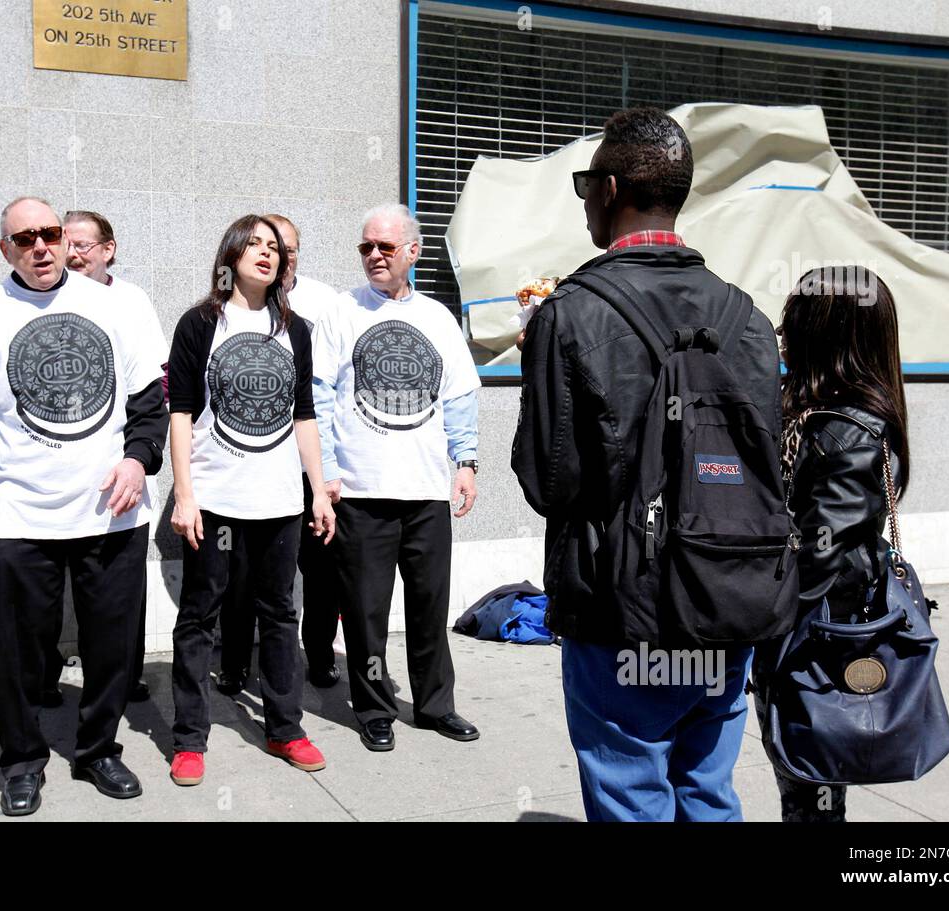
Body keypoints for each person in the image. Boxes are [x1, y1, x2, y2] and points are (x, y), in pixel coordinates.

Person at [511, 108, 781, 821]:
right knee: (707, 792)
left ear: (607, 188)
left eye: (583, 185)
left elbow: (548, 480)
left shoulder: (569, 312)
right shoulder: (747, 315)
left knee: (631, 796)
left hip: (619, 607)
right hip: (726, 600)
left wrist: (537, 370)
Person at [0, 197, 169, 816]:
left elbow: (149, 403)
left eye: (50, 234)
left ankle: (98, 752)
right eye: (23, 237)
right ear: (5, 249)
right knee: (21, 653)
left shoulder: (115, 308)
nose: (40, 246)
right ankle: (23, 762)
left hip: (113, 515)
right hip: (20, 518)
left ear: (65, 240)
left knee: (112, 646)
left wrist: (138, 459)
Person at [166, 214, 334, 787]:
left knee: (281, 613)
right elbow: (181, 414)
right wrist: (185, 495)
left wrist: (318, 490)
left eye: (274, 248)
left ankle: (285, 727)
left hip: (280, 499)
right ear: (231, 254)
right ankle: (189, 738)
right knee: (199, 616)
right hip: (215, 498)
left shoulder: (298, 329)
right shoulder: (198, 324)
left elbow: (305, 416)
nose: (266, 254)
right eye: (254, 245)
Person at [312, 203, 481, 753]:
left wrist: (466, 463)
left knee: (431, 607)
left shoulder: (436, 316)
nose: (375, 256)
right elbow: (316, 395)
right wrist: (328, 476)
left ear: (413, 250)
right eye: (366, 247)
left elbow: (458, 395)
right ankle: (374, 707)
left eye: (386, 246)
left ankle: (436, 707)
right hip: (361, 490)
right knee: (366, 612)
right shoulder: (341, 311)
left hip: (428, 489)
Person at [753, 265, 909, 823]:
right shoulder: (819, 411)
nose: (781, 329)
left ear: (827, 331)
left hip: (815, 642)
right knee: (807, 785)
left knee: (811, 790)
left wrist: (761, 618)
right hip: (810, 634)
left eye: (793, 317)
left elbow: (822, 556)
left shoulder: (847, 432)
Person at [217, 213, 343, 695]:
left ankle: (319, 656)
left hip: (311, 464)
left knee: (320, 569)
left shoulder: (323, 303)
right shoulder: (228, 308)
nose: (278, 256)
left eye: (286, 248)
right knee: (240, 574)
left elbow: (332, 387)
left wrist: (328, 469)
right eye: (267, 246)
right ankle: (233, 662)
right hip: (251, 465)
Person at [49, 209, 170, 706]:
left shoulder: (131, 300)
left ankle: (124, 674)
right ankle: (44, 673)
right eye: (65, 243)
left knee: (121, 586)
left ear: (108, 249)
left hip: (122, 461)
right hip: (57, 467)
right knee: (49, 582)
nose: (71, 253)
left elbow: (157, 382)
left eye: (82, 245)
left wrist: (138, 454)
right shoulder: (43, 297)